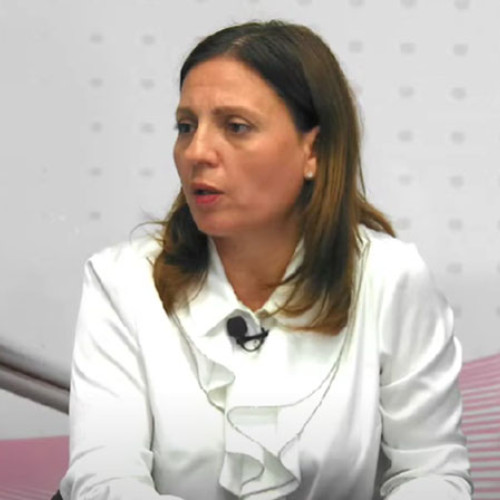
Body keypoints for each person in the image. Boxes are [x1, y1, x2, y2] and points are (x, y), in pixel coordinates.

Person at [59, 20, 472, 500]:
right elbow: (105, 480)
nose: (196, 152)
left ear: (313, 150)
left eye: (236, 127)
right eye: (186, 127)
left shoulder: (390, 277)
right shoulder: (123, 281)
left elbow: (432, 473)